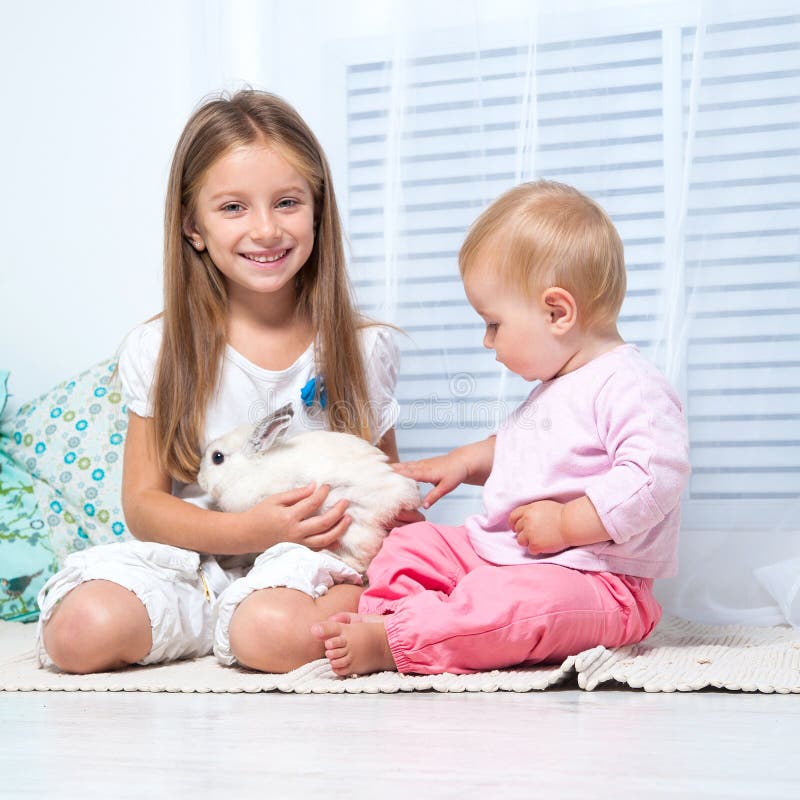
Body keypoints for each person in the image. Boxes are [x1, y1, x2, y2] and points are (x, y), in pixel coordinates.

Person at [36, 90, 411, 674]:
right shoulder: (160, 348)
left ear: (317, 209)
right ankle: (212, 620)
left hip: (307, 563)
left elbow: (389, 494)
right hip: (198, 560)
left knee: (270, 633)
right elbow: (143, 504)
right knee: (81, 632)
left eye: (286, 202)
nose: (265, 229)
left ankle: (257, 622)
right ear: (193, 226)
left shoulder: (362, 347)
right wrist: (244, 530)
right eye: (234, 207)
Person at [312, 179, 691, 676]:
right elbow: (523, 451)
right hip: (508, 555)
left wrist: (566, 524)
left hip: (597, 581)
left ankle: (401, 642)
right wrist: (462, 462)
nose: (488, 341)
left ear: (557, 312)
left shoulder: (631, 385)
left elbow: (654, 476)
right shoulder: (558, 384)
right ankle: (392, 616)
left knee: (519, 603)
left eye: (494, 323)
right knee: (411, 545)